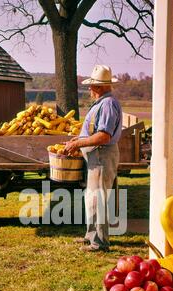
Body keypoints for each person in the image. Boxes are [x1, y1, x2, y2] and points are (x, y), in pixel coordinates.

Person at [65, 65, 122, 252]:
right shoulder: (102, 103)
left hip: (102, 155)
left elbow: (103, 136)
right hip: (96, 156)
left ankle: (100, 243)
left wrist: (78, 144)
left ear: (98, 87)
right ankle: (91, 236)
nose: (89, 89)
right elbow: (94, 131)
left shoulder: (107, 104)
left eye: (92, 86)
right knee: (92, 198)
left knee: (99, 198)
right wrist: (79, 139)